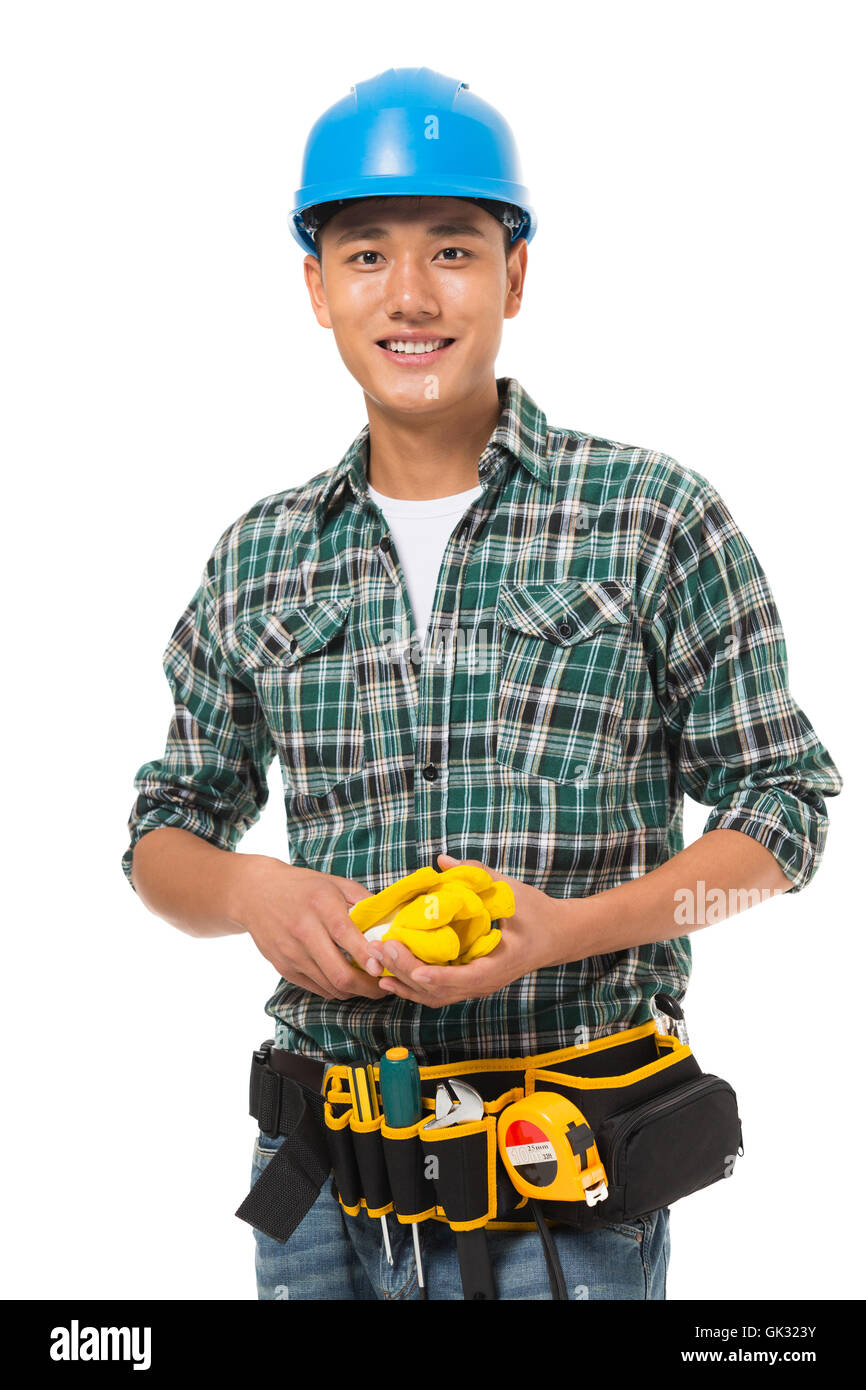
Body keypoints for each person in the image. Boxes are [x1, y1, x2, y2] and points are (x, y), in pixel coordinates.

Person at [122, 67, 843, 1301]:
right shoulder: (259, 555)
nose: (409, 295)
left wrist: (571, 929)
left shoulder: (650, 520)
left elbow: (782, 822)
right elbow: (159, 836)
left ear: (513, 274)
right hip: (319, 1186)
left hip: (563, 1190)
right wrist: (250, 886)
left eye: (452, 249)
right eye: (365, 255)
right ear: (315, 286)